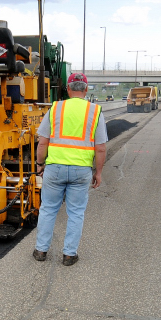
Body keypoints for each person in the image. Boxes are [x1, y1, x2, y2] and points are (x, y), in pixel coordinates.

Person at [32, 73, 107, 266]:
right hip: (81, 171)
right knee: (75, 212)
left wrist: (40, 164)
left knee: (48, 209)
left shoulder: (56, 108)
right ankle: (69, 255)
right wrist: (98, 172)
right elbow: (100, 148)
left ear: (67, 88)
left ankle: (41, 250)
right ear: (86, 89)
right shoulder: (95, 111)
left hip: (54, 168)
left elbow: (42, 143)